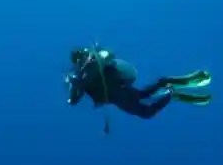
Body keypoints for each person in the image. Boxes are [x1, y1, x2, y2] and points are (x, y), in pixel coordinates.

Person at [65, 45, 211, 121]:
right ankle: (167, 86)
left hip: (117, 93)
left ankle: (170, 92)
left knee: (146, 110)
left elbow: (109, 55)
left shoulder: (87, 65)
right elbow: (73, 99)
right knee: (143, 98)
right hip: (117, 94)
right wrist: (73, 86)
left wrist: (72, 91)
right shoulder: (79, 75)